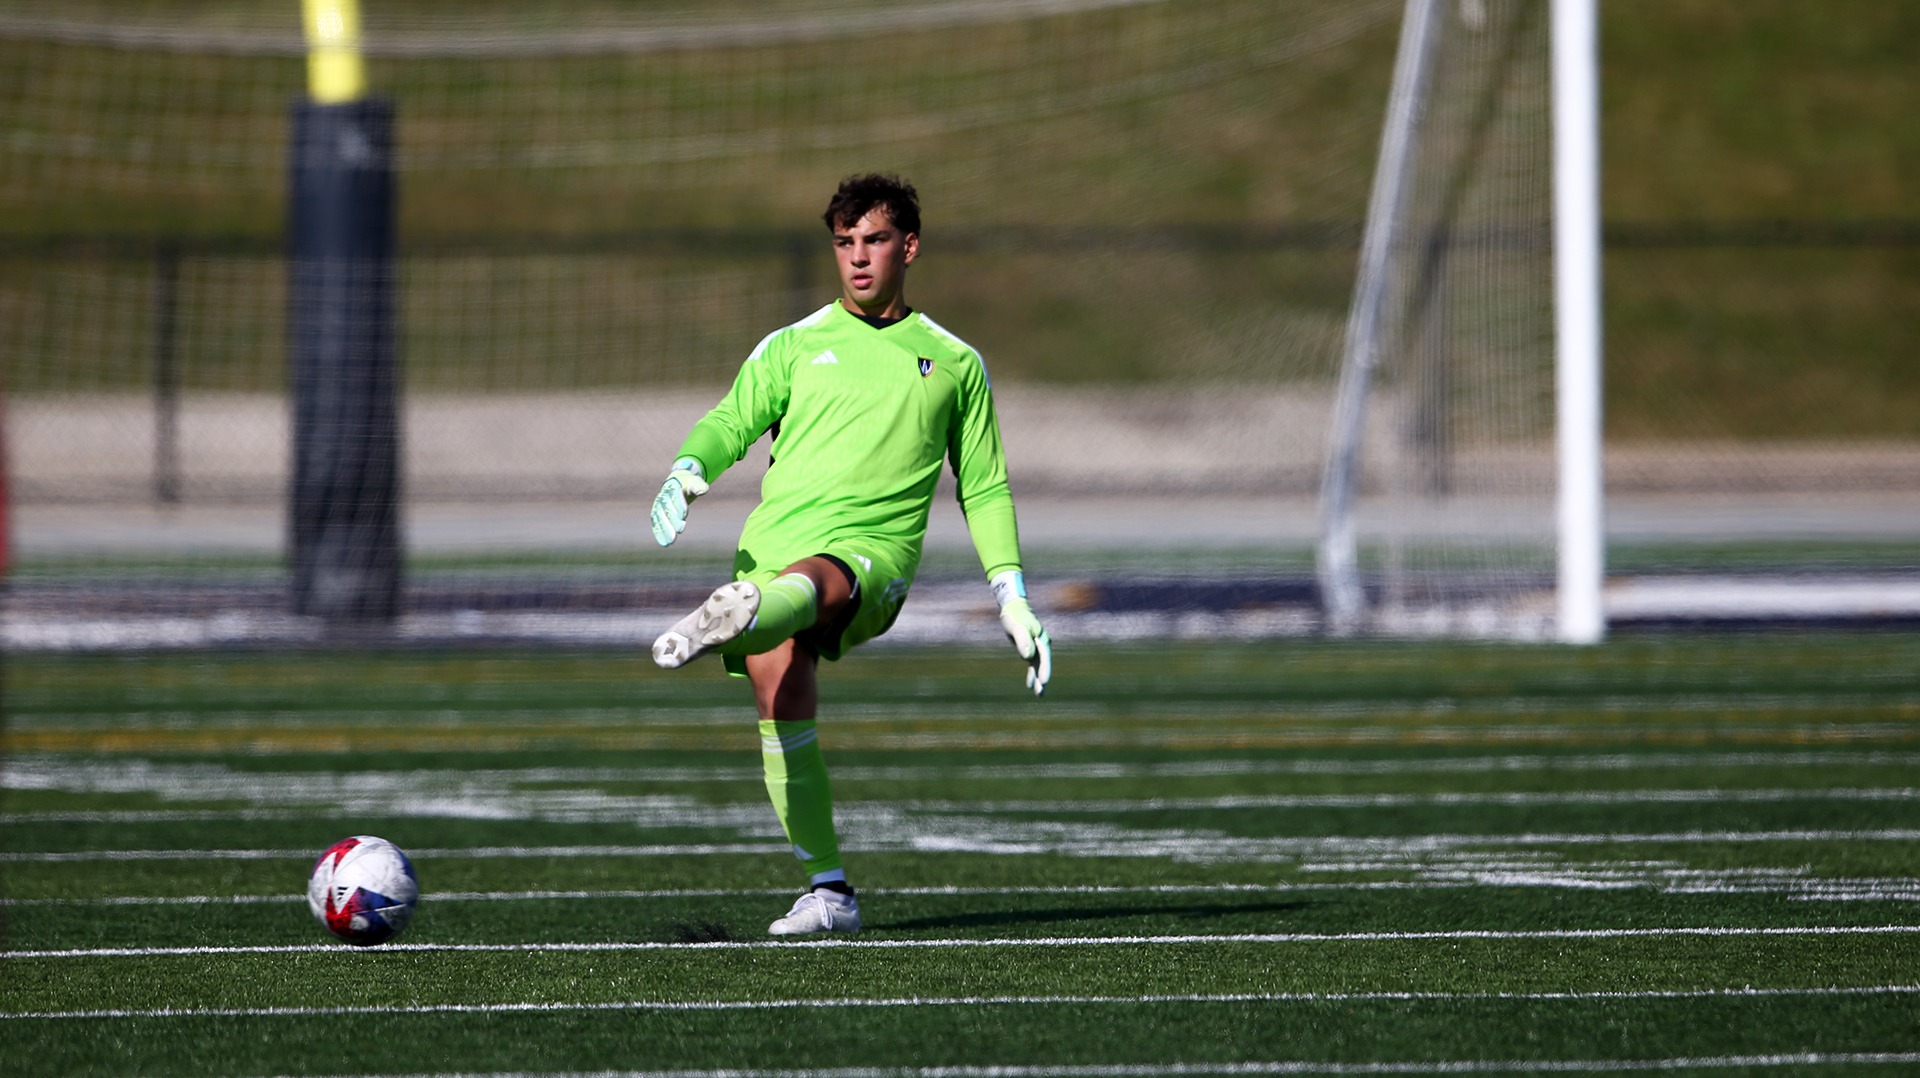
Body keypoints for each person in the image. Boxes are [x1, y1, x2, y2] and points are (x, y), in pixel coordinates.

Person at [646, 173, 1051, 937]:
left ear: (910, 247)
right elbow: (731, 420)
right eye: (844, 243)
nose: (858, 258)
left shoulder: (954, 362)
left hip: (872, 559)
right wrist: (688, 469)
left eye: (873, 241)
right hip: (770, 554)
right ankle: (830, 893)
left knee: (815, 583)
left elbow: (986, 487)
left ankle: (747, 612)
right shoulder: (794, 346)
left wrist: (1012, 594)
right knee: (781, 703)